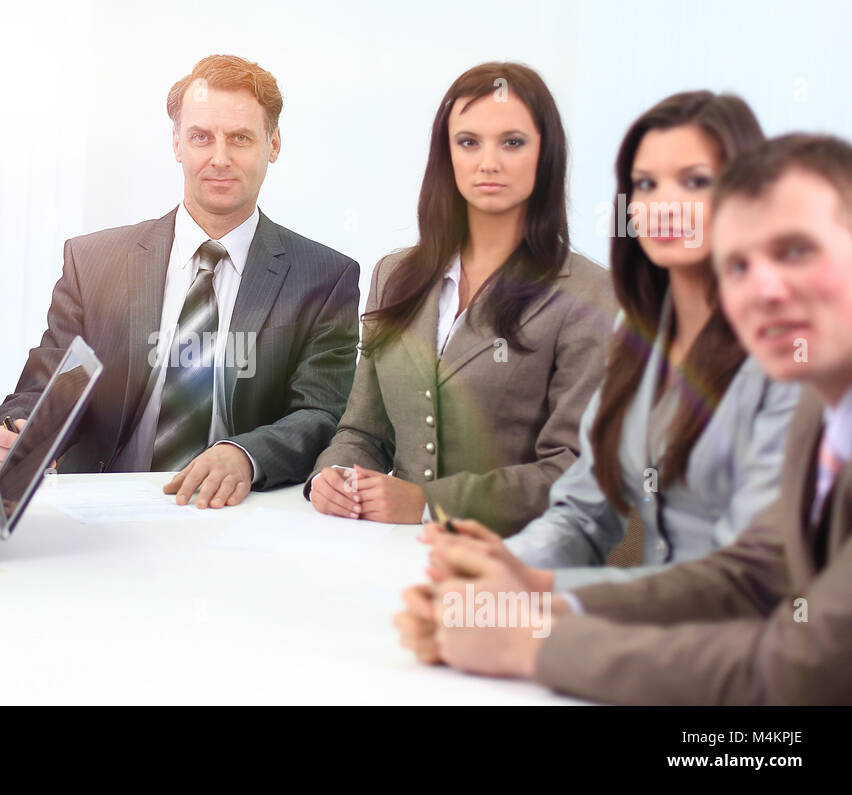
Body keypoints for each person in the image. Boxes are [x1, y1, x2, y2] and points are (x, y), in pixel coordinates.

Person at [399, 133, 852, 705]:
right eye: (737, 264)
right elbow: (749, 572)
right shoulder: (820, 406)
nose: (763, 289)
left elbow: (804, 667)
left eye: (795, 251)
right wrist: (530, 592)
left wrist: (530, 643)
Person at [0, 54, 360, 509]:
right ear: (177, 144)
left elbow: (322, 412)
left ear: (273, 144)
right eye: (201, 137)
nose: (219, 158)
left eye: (240, 138)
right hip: (103, 508)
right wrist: (13, 427)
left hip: (241, 513)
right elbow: (46, 384)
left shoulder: (324, 277)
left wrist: (245, 453)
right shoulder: (93, 261)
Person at [492, 92, 797, 589]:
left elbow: (747, 572)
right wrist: (504, 567)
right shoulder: (634, 335)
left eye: (695, 181)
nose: (663, 205)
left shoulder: (788, 352)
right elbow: (582, 516)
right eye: (646, 185)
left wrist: (553, 597)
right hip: (650, 628)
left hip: (745, 642)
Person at [308, 62, 616, 534]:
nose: (487, 162)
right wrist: (333, 474)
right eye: (468, 142)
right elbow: (363, 431)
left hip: (515, 561)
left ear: (545, 155)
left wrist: (428, 503)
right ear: (446, 155)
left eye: (512, 142)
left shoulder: (589, 294)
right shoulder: (395, 276)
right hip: (388, 550)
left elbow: (572, 470)